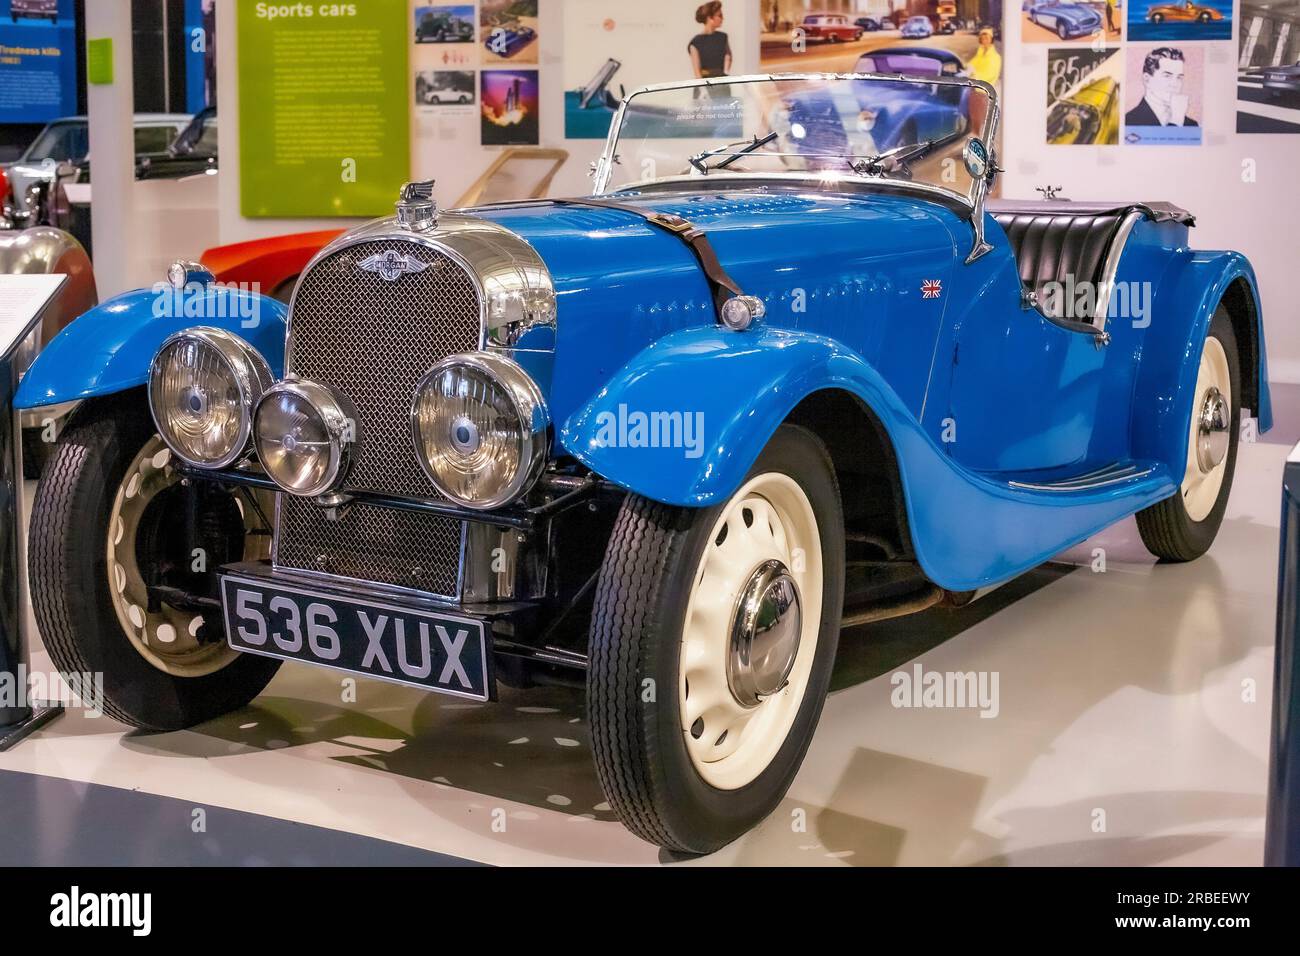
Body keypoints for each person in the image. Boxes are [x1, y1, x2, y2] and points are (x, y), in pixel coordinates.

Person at [1125, 47, 1198, 126]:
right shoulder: (1128, 121)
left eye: (1179, 77)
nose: (1174, 84)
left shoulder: (1191, 124)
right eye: (1167, 76)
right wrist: (1176, 120)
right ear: (1147, 79)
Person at [688, 1, 732, 80]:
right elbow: (697, 73)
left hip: (722, 84)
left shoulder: (723, 37)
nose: (722, 18)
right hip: (704, 86)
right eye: (720, 15)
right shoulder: (695, 43)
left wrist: (725, 76)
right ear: (710, 18)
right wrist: (703, 89)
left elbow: (728, 57)